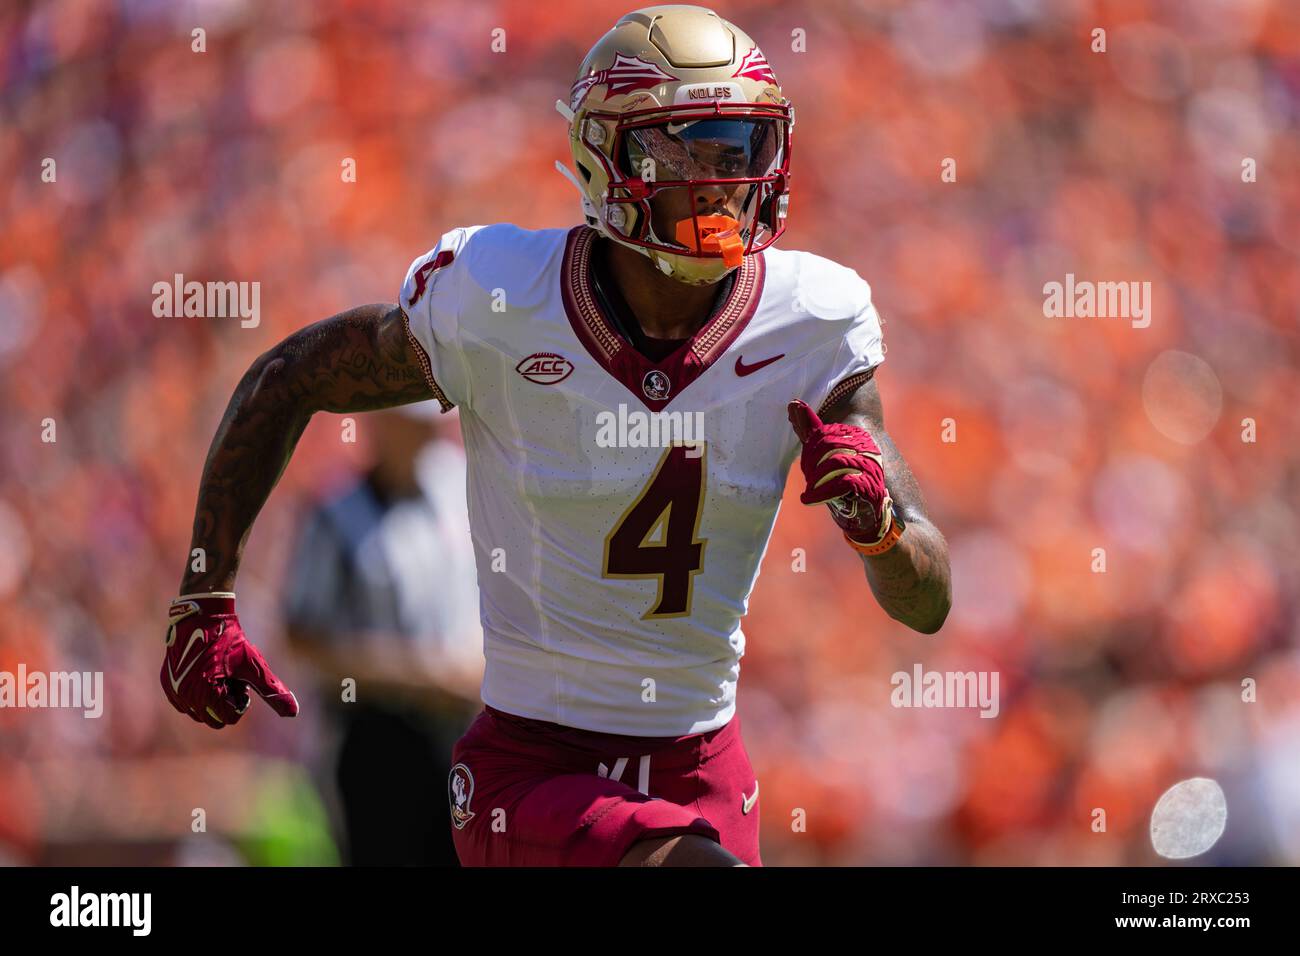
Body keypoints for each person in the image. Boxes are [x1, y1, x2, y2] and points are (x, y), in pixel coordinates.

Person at [160, 4, 952, 867]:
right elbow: (291, 377)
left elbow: (929, 598)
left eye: (742, 145)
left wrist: (879, 534)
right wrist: (206, 591)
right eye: (688, 144)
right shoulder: (502, 300)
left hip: (707, 768)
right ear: (604, 155)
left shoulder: (809, 321)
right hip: (536, 768)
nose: (722, 177)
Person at [282, 402, 481, 866]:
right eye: (413, 425)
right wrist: (416, 676)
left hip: (461, 732)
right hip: (378, 740)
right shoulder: (337, 514)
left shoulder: (458, 491)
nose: (428, 436)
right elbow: (302, 637)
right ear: (381, 423)